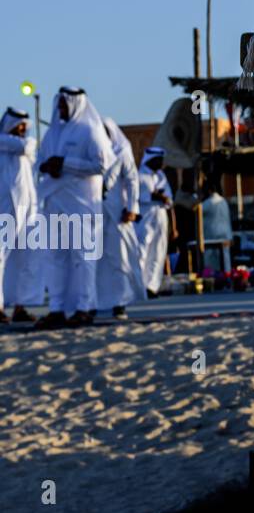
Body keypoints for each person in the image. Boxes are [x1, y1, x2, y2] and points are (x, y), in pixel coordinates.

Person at [32, 87, 114, 331]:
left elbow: (104, 163)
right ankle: (57, 309)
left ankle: (84, 308)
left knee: (83, 258)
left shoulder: (91, 129)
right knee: (55, 258)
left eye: (65, 104)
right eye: (59, 104)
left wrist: (66, 164)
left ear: (77, 104)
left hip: (82, 206)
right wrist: (47, 166)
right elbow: (38, 161)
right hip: (55, 204)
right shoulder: (52, 132)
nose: (61, 108)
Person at [95, 118, 145, 318]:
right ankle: (98, 302)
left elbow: (132, 180)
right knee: (98, 259)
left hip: (117, 213)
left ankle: (120, 303)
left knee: (118, 258)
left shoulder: (122, 151)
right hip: (95, 211)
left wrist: (131, 207)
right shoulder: (94, 150)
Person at [0, 108, 40, 323]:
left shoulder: (20, 146)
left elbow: (30, 147)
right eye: (19, 124)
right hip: (4, 206)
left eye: (25, 125)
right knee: (0, 256)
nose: (23, 129)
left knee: (26, 258)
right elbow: (26, 145)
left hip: (28, 207)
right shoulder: (4, 142)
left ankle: (20, 306)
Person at [136, 148, 173, 295]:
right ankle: (139, 285)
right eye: (159, 160)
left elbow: (169, 199)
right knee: (142, 249)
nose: (162, 163)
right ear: (151, 159)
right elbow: (141, 196)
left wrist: (162, 198)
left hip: (161, 215)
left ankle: (152, 286)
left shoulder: (161, 176)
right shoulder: (139, 175)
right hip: (146, 216)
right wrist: (155, 196)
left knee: (158, 251)